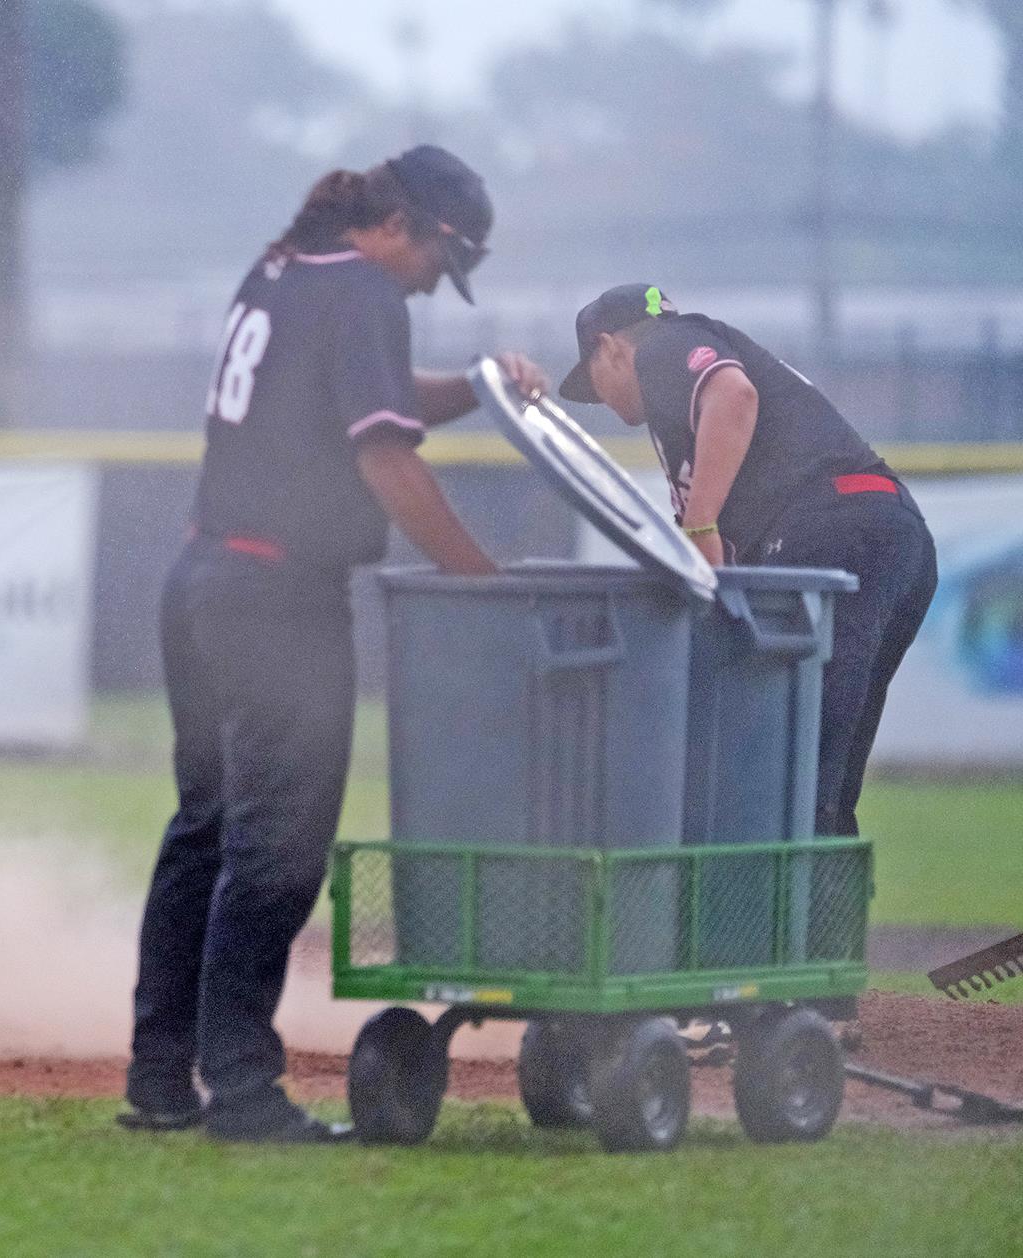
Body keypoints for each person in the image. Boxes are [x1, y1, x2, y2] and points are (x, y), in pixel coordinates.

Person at [122, 146, 549, 1142]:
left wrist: (480, 383)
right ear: (403, 225)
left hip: (202, 582)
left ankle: (157, 1078)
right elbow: (385, 456)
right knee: (274, 849)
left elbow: (383, 394)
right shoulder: (362, 290)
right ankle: (240, 1090)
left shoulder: (281, 266)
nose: (434, 283)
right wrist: (483, 584)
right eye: (439, 262)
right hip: (277, 598)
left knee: (204, 831)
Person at [559, 283, 938, 837]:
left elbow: (733, 394)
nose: (600, 400)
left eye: (591, 378)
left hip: (835, 532)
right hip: (890, 536)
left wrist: (701, 521)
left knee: (783, 772)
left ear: (609, 347)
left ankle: (769, 922)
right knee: (816, 782)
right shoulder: (678, 397)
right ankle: (816, 917)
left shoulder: (663, 344)